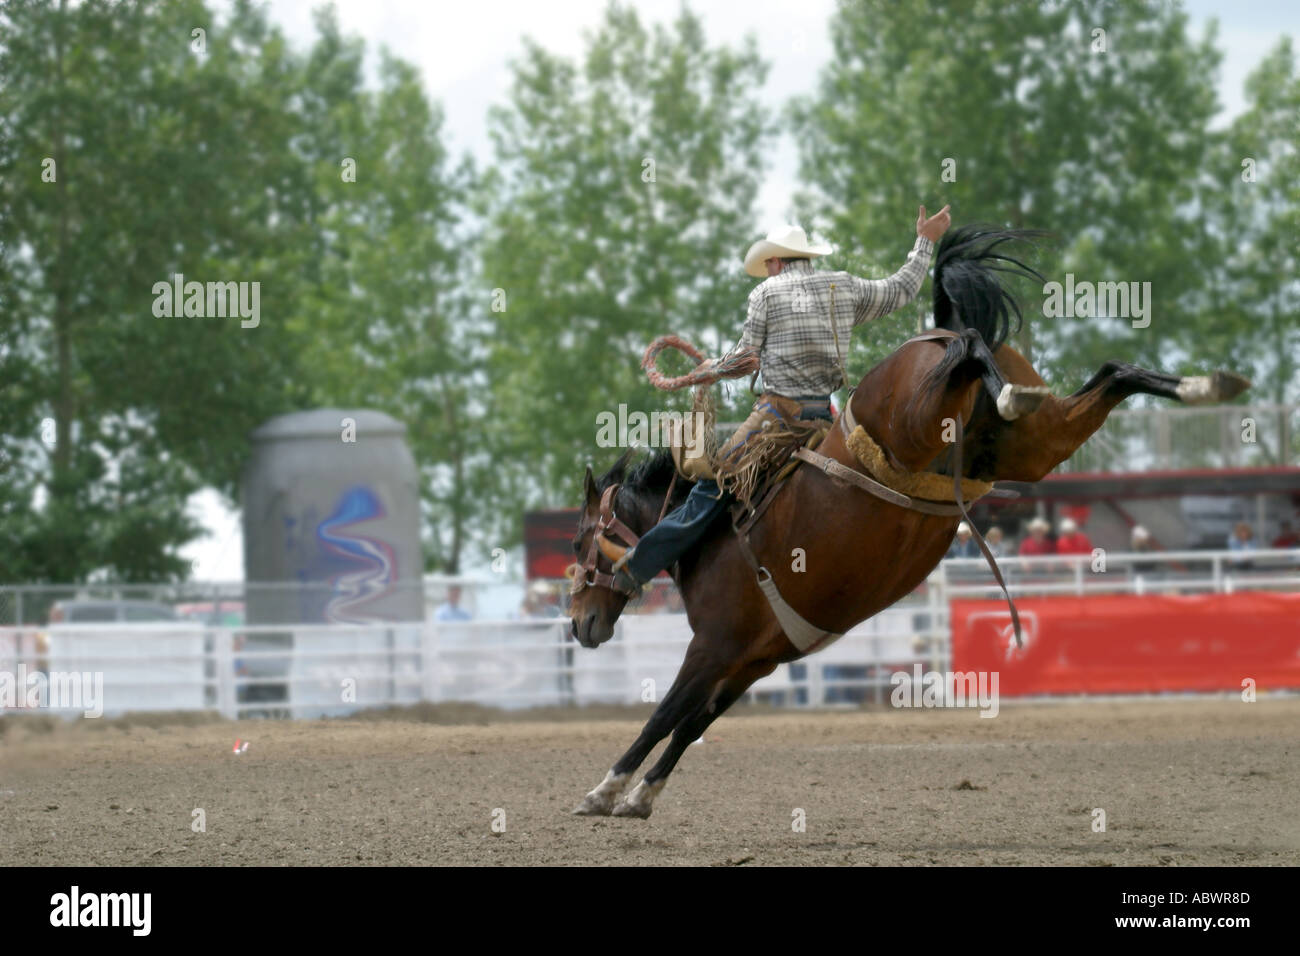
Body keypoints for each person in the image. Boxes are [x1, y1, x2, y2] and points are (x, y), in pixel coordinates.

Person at [601, 209, 952, 592]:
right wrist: (925, 240)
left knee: (712, 488)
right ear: (805, 257)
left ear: (775, 261)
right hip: (827, 419)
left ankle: (638, 568)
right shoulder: (843, 287)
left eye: (768, 264)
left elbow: (747, 358)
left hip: (776, 420)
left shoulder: (766, 293)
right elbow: (901, 289)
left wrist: (707, 370)